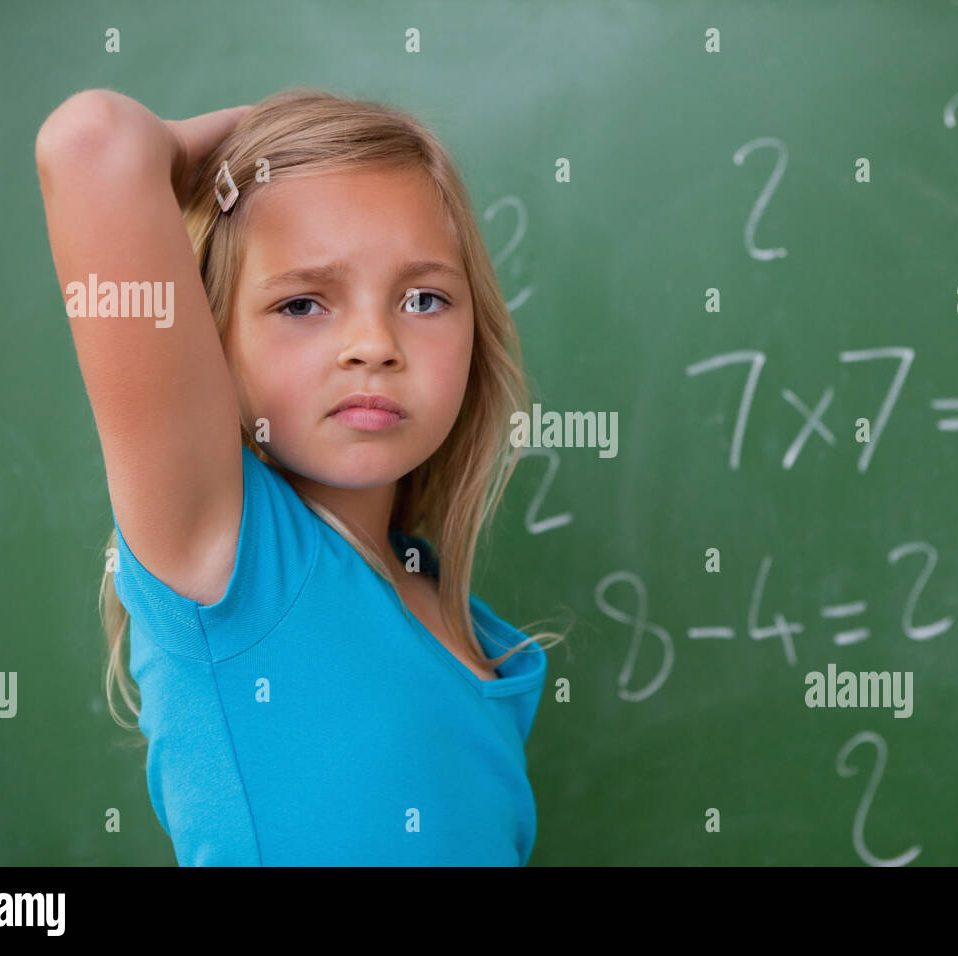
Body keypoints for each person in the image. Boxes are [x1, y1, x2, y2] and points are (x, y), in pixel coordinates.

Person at [35, 87, 568, 865]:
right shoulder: (226, 552)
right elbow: (91, 142)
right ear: (210, 336)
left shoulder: (457, 617)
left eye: (423, 298)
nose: (373, 344)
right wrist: (242, 144)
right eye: (302, 304)